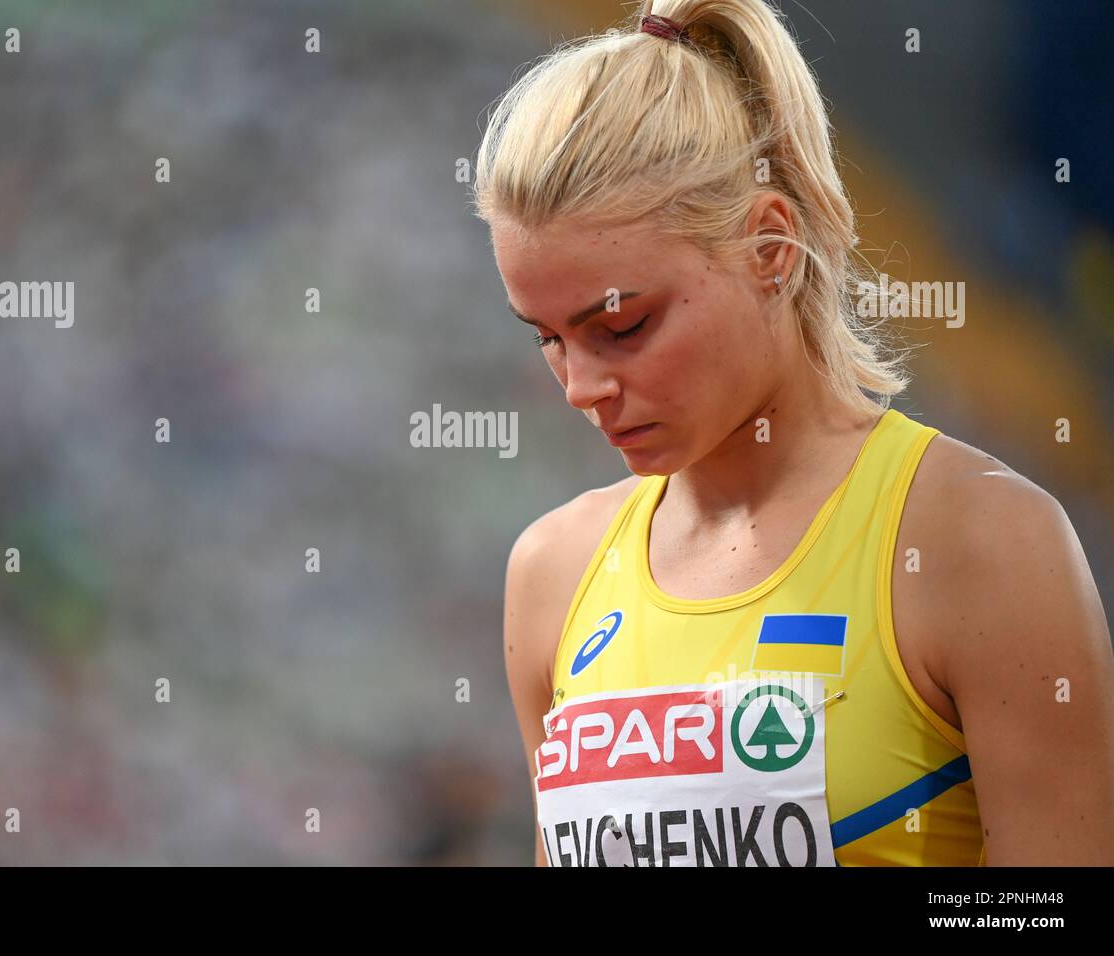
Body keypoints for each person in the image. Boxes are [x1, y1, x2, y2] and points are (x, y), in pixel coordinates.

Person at [471, 0, 1114, 866]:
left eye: (622, 328)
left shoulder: (983, 540)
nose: (582, 387)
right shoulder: (552, 573)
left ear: (770, 246)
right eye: (546, 336)